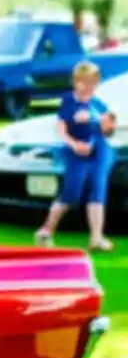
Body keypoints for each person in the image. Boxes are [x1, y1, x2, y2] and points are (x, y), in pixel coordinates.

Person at [35, 62, 117, 251]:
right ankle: (46, 230)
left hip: (98, 151)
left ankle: (96, 237)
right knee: (71, 193)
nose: (89, 87)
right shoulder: (68, 101)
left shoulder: (98, 104)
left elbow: (107, 131)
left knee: (98, 190)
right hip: (77, 153)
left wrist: (108, 125)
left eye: (93, 82)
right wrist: (73, 144)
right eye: (85, 82)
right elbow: (61, 128)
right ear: (76, 81)